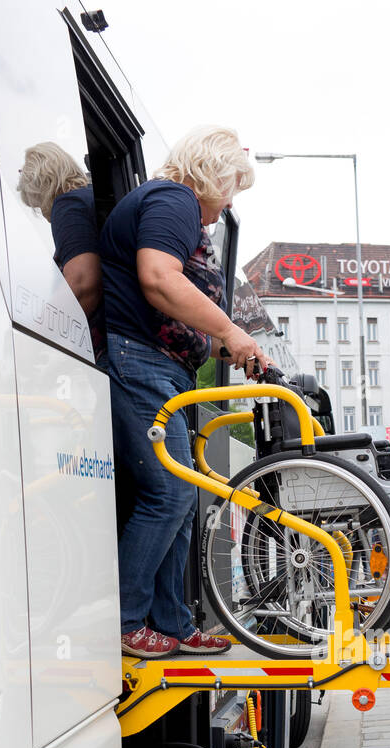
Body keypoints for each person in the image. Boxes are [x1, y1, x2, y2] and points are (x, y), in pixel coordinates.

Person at [100, 125, 270, 658]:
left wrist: (234, 350)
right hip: (140, 361)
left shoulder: (174, 206)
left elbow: (181, 318)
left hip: (163, 366)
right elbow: (158, 279)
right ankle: (126, 622)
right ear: (211, 174)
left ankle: (171, 624)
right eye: (231, 189)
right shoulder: (174, 199)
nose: (226, 206)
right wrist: (229, 330)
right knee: (169, 493)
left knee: (179, 502)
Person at [17, 142, 106, 363]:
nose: (44, 213)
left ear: (43, 186)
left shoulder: (68, 203)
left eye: (37, 203)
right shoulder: (89, 199)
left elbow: (82, 283)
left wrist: (33, 343)